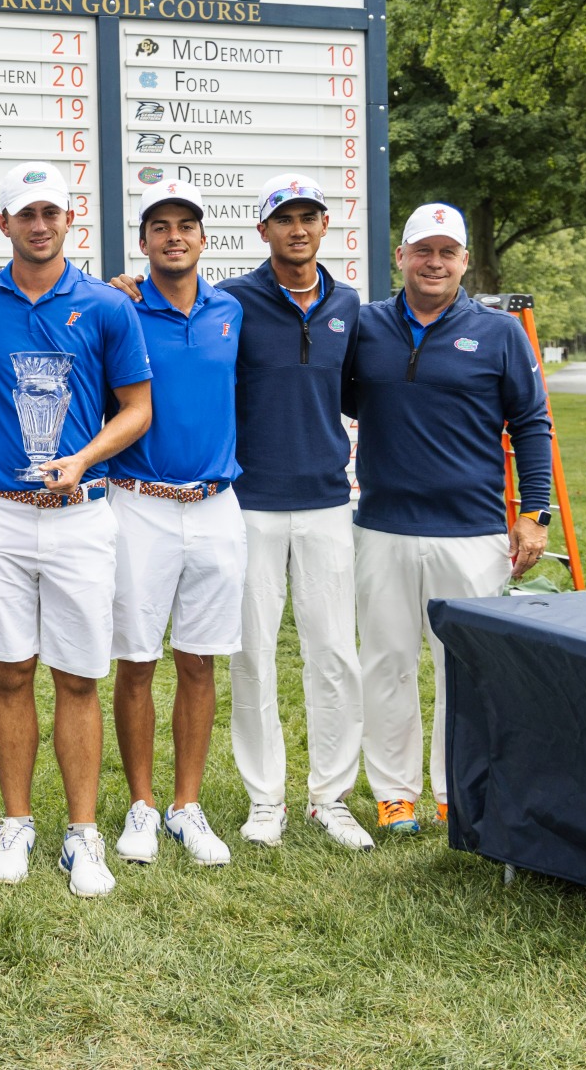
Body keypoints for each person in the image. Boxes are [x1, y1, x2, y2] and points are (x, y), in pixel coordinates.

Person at [0, 161, 153, 898]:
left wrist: (85, 455)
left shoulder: (106, 305)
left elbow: (137, 408)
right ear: (2, 225)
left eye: (51, 212)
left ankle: (82, 831)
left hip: (79, 514)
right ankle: (15, 819)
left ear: (70, 221)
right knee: (9, 669)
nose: (40, 224)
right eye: (24, 214)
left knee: (78, 675)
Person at [350, 202, 553, 833]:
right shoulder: (366, 326)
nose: (434, 262)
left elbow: (532, 423)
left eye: (447, 252)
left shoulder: (499, 333)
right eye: (423, 250)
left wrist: (535, 511)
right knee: (386, 662)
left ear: (464, 261)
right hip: (381, 524)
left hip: (472, 531)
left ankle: (456, 788)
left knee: (465, 669)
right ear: (402, 256)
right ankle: (395, 793)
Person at [220, 177, 374, 853]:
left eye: (309, 217)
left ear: (323, 226)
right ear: (264, 232)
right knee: (251, 652)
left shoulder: (348, 304)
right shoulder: (232, 299)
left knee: (334, 651)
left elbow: (357, 392)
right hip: (249, 502)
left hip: (326, 503)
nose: (298, 229)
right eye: (285, 219)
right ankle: (265, 798)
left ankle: (330, 798)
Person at [106, 179, 245, 868]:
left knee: (200, 659)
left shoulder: (233, 309)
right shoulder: (121, 307)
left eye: (186, 224)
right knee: (137, 659)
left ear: (203, 237)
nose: (174, 236)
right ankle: (141, 803)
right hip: (140, 501)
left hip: (217, 503)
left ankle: (186, 805)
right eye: (159, 226)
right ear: (143, 241)